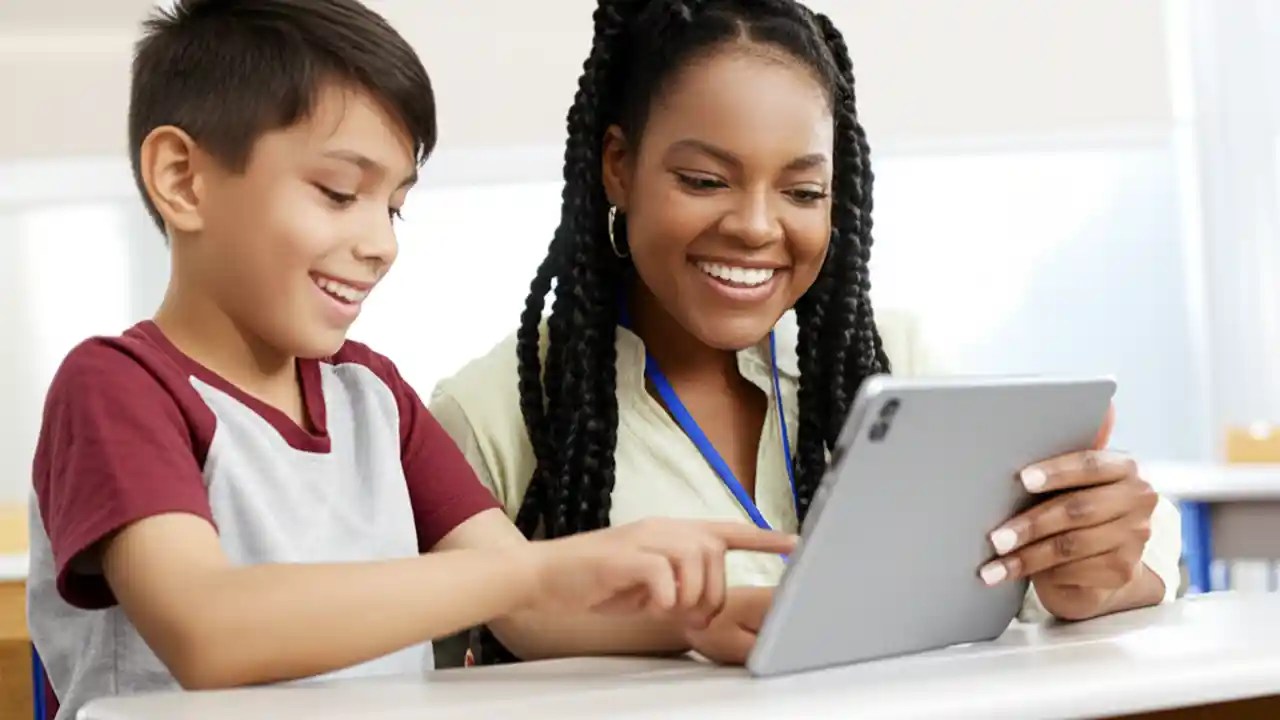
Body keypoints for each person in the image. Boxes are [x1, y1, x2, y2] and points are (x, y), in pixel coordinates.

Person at [26, 2, 796, 717]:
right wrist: (534, 569)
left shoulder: (374, 397)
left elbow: (527, 610)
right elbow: (209, 632)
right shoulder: (117, 389)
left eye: (394, 206)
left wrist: (701, 621)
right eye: (338, 193)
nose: (380, 244)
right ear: (181, 179)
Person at [431, 0, 1182, 665]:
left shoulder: (891, 362)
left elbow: (1040, 583)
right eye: (704, 180)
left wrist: (1099, 574)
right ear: (619, 166)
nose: (757, 226)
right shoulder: (492, 415)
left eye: (802, 191)